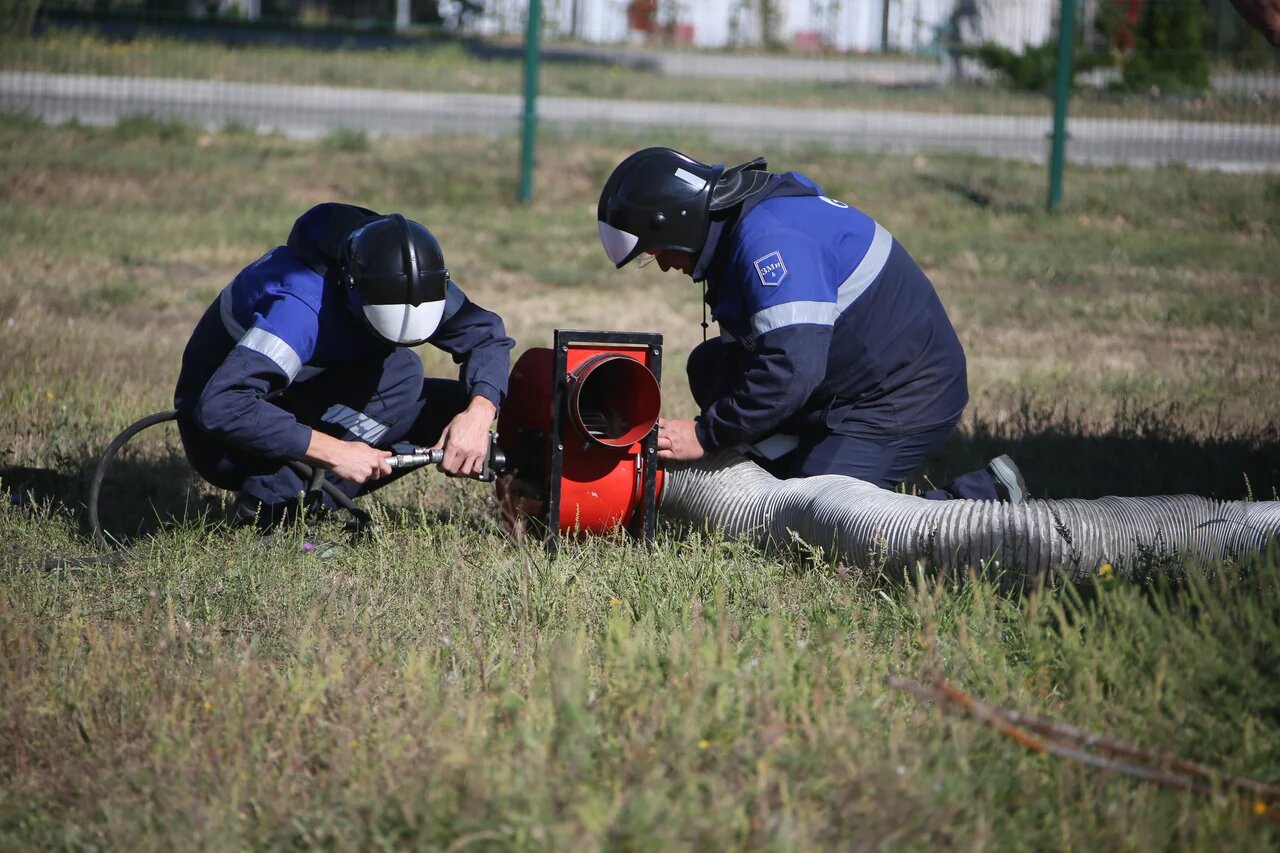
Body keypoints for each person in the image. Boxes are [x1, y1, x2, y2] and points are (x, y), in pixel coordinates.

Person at [596, 147, 1025, 502]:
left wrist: (705, 436)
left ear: (675, 223)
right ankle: (777, 458)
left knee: (813, 519)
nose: (664, 266)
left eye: (656, 253)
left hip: (904, 390)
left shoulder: (770, 242)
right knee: (708, 367)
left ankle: (985, 495)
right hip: (844, 374)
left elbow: (791, 370)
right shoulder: (738, 227)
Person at [174, 202, 514, 528]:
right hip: (223, 445)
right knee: (402, 372)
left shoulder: (410, 278)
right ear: (355, 295)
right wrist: (336, 453)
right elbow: (223, 405)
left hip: (299, 396)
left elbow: (485, 336)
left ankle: (302, 489)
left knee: (454, 405)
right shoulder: (300, 310)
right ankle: (274, 507)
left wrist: (479, 413)